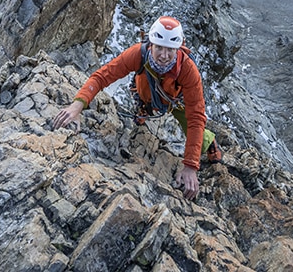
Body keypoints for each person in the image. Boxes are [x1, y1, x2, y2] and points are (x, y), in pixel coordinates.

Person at [51, 16, 222, 199]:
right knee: (144, 100)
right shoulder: (138, 54)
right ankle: (145, 109)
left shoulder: (188, 70)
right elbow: (102, 77)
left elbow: (196, 116)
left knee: (197, 134)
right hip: (145, 92)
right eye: (159, 47)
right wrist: (77, 106)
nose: (164, 55)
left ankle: (209, 141)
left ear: (179, 48)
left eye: (170, 49)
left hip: (177, 101)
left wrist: (190, 166)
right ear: (151, 45)